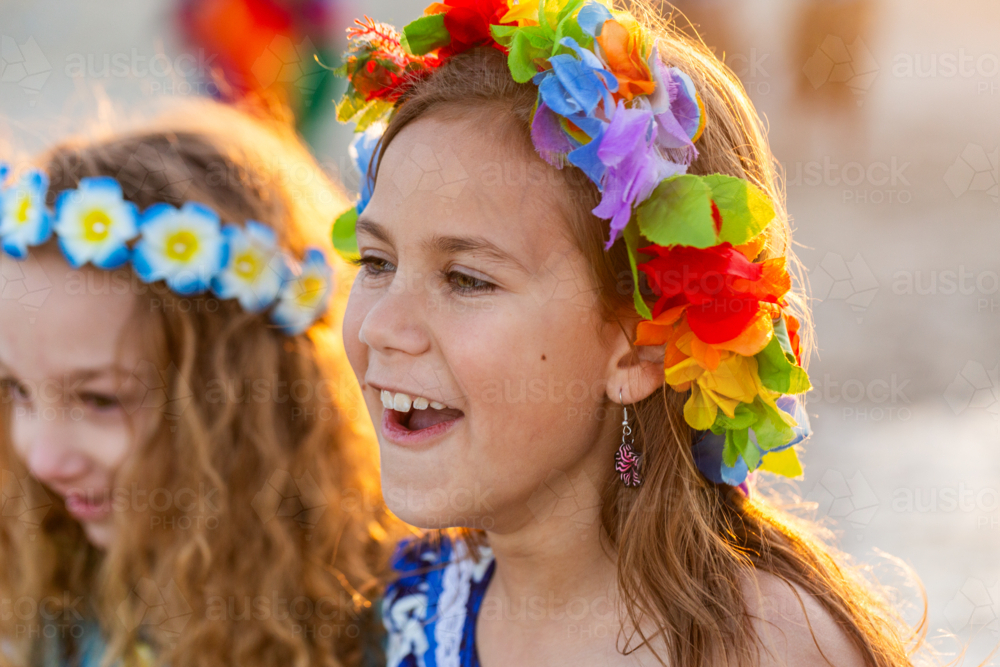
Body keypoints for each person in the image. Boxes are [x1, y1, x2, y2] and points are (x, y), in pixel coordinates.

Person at [331, 1, 927, 665]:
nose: (382, 325)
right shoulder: (399, 611)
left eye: (467, 278)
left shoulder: (766, 649)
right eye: (377, 261)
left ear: (639, 343)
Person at [0, 102, 390, 667]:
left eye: (100, 399)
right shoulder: (47, 604)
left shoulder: (398, 627)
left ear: (252, 401)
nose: (43, 458)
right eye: (15, 390)